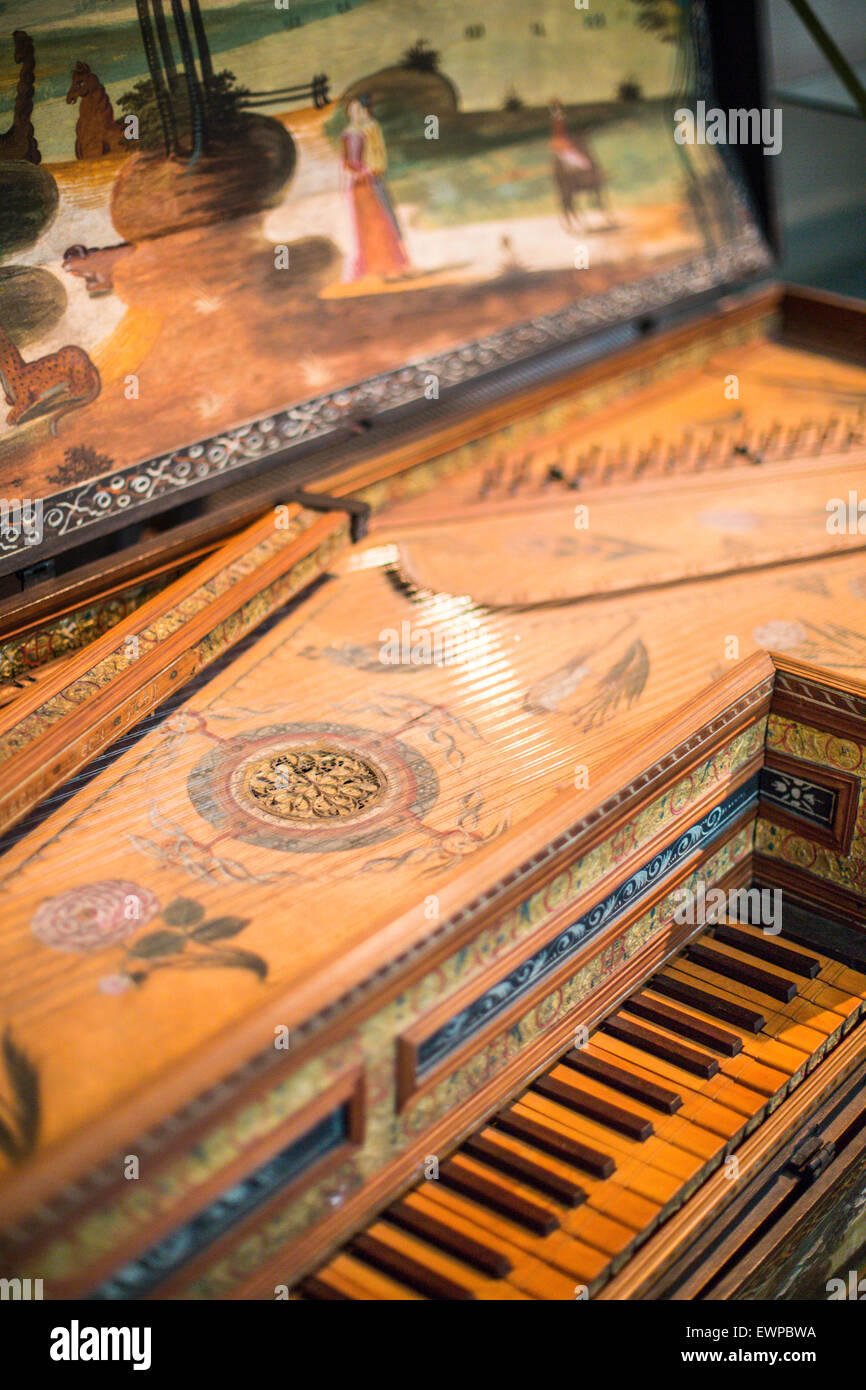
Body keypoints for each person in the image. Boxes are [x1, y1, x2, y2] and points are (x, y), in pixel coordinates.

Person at [340, 98, 411, 281]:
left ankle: (391, 264)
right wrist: (359, 172)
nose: (358, 114)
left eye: (360, 110)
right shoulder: (350, 133)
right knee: (369, 223)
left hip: (369, 180)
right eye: (354, 111)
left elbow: (376, 154)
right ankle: (377, 266)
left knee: (382, 221)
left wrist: (370, 170)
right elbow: (347, 161)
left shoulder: (369, 128)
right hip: (360, 184)